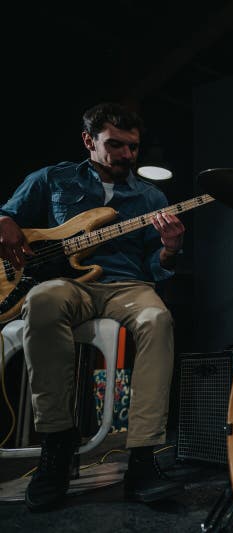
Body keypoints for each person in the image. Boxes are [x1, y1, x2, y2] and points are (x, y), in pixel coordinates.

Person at [0, 102, 185, 511]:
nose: (127, 156)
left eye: (133, 148)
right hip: (68, 284)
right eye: (115, 145)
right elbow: (8, 216)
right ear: (89, 141)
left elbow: (159, 266)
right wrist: (4, 221)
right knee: (43, 300)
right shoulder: (51, 179)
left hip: (128, 285)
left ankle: (142, 455)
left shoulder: (151, 195)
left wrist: (170, 249)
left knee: (158, 319)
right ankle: (56, 441)